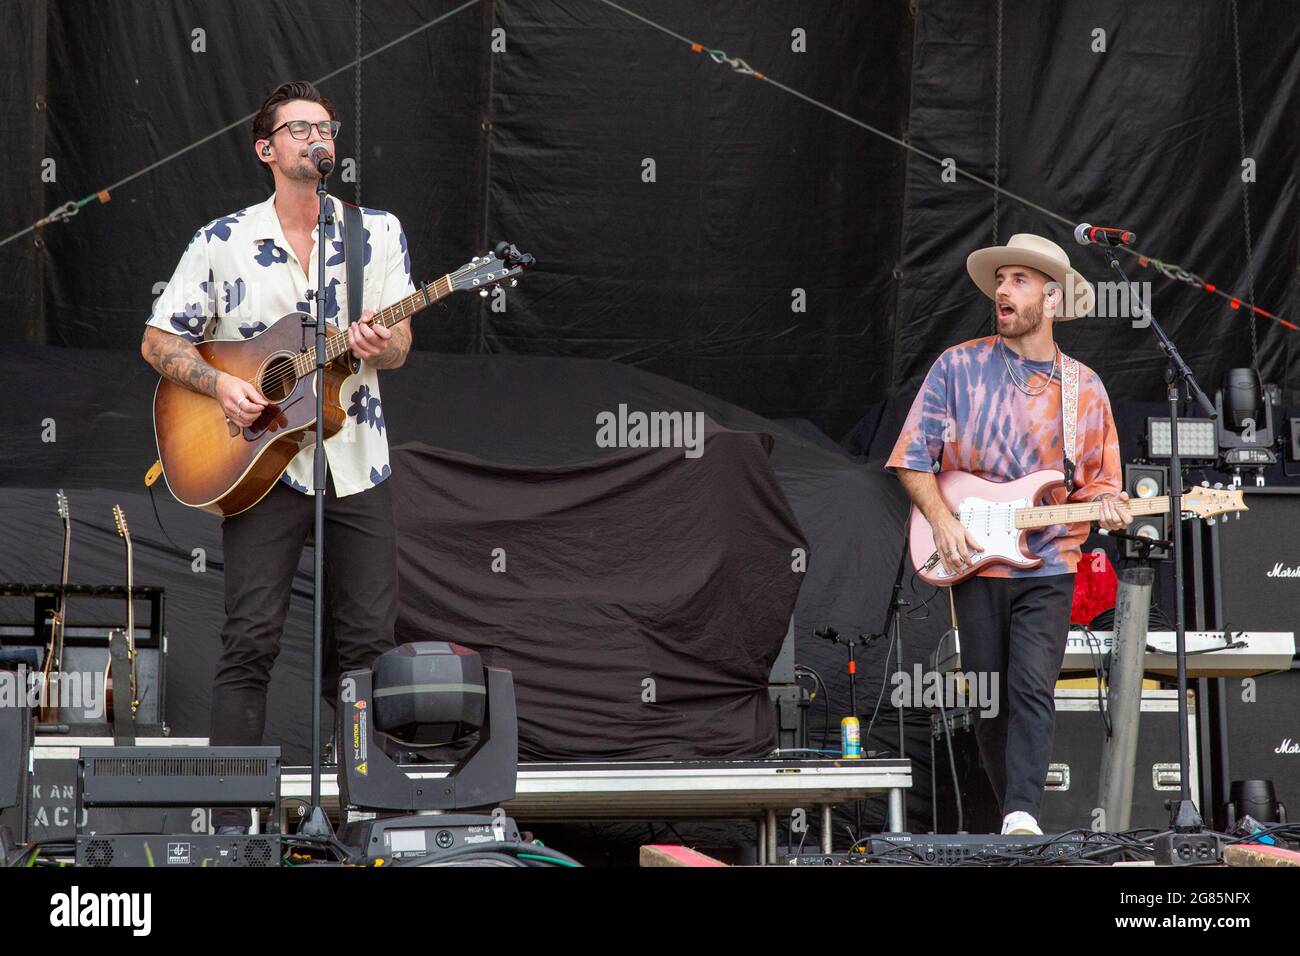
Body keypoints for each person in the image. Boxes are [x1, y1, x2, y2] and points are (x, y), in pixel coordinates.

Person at [140, 80, 415, 832]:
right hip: (261, 467)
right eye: (299, 129)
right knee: (251, 637)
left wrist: (380, 341)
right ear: (268, 149)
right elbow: (159, 341)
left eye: (325, 128)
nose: (316, 138)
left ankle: (370, 820)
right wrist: (222, 384)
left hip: (357, 461)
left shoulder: (375, 234)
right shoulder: (221, 240)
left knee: (367, 644)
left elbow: (400, 349)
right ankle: (231, 829)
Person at [886, 233, 1131, 836]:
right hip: (974, 559)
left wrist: (1113, 509)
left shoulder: (1084, 389)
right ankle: (1009, 815)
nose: (1002, 289)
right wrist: (943, 521)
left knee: (1030, 688)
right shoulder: (958, 366)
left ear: (1050, 298)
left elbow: (1100, 486)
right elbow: (910, 458)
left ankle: (1022, 814)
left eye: (1019, 280)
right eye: (1000, 280)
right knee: (988, 701)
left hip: (1051, 562)